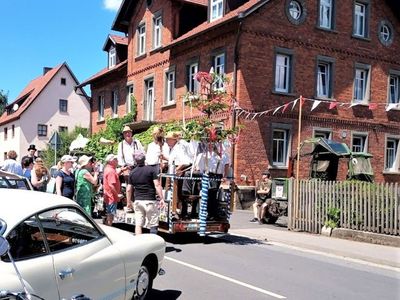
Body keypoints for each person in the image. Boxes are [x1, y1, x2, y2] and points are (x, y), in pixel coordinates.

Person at [126, 153, 165, 235]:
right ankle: (152, 244)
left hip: (138, 201)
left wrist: (128, 202)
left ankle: (139, 243)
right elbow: (157, 185)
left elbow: (129, 189)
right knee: (153, 224)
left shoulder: (132, 173)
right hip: (150, 200)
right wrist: (161, 198)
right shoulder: (151, 170)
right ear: (145, 159)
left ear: (135, 161)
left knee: (138, 225)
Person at [117, 125, 145, 211]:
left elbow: (143, 153)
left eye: (129, 132)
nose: (127, 134)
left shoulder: (137, 142)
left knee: (138, 185)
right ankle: (130, 204)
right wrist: (123, 167)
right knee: (129, 185)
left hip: (137, 166)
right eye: (126, 133)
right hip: (127, 167)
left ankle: (137, 203)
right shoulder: (121, 144)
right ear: (124, 135)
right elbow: (120, 157)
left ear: (131, 133)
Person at [103, 154, 121, 226]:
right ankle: (109, 228)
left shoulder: (107, 169)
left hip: (109, 195)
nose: (117, 161)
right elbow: (111, 185)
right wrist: (117, 196)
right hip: (111, 197)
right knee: (111, 215)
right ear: (111, 161)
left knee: (109, 214)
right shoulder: (111, 171)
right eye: (116, 159)